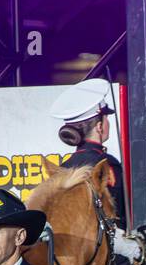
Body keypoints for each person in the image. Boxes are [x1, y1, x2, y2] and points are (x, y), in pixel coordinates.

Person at [52, 78, 127, 227]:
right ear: (99, 126)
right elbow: (117, 214)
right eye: (106, 118)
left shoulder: (63, 167)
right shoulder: (106, 163)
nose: (108, 123)